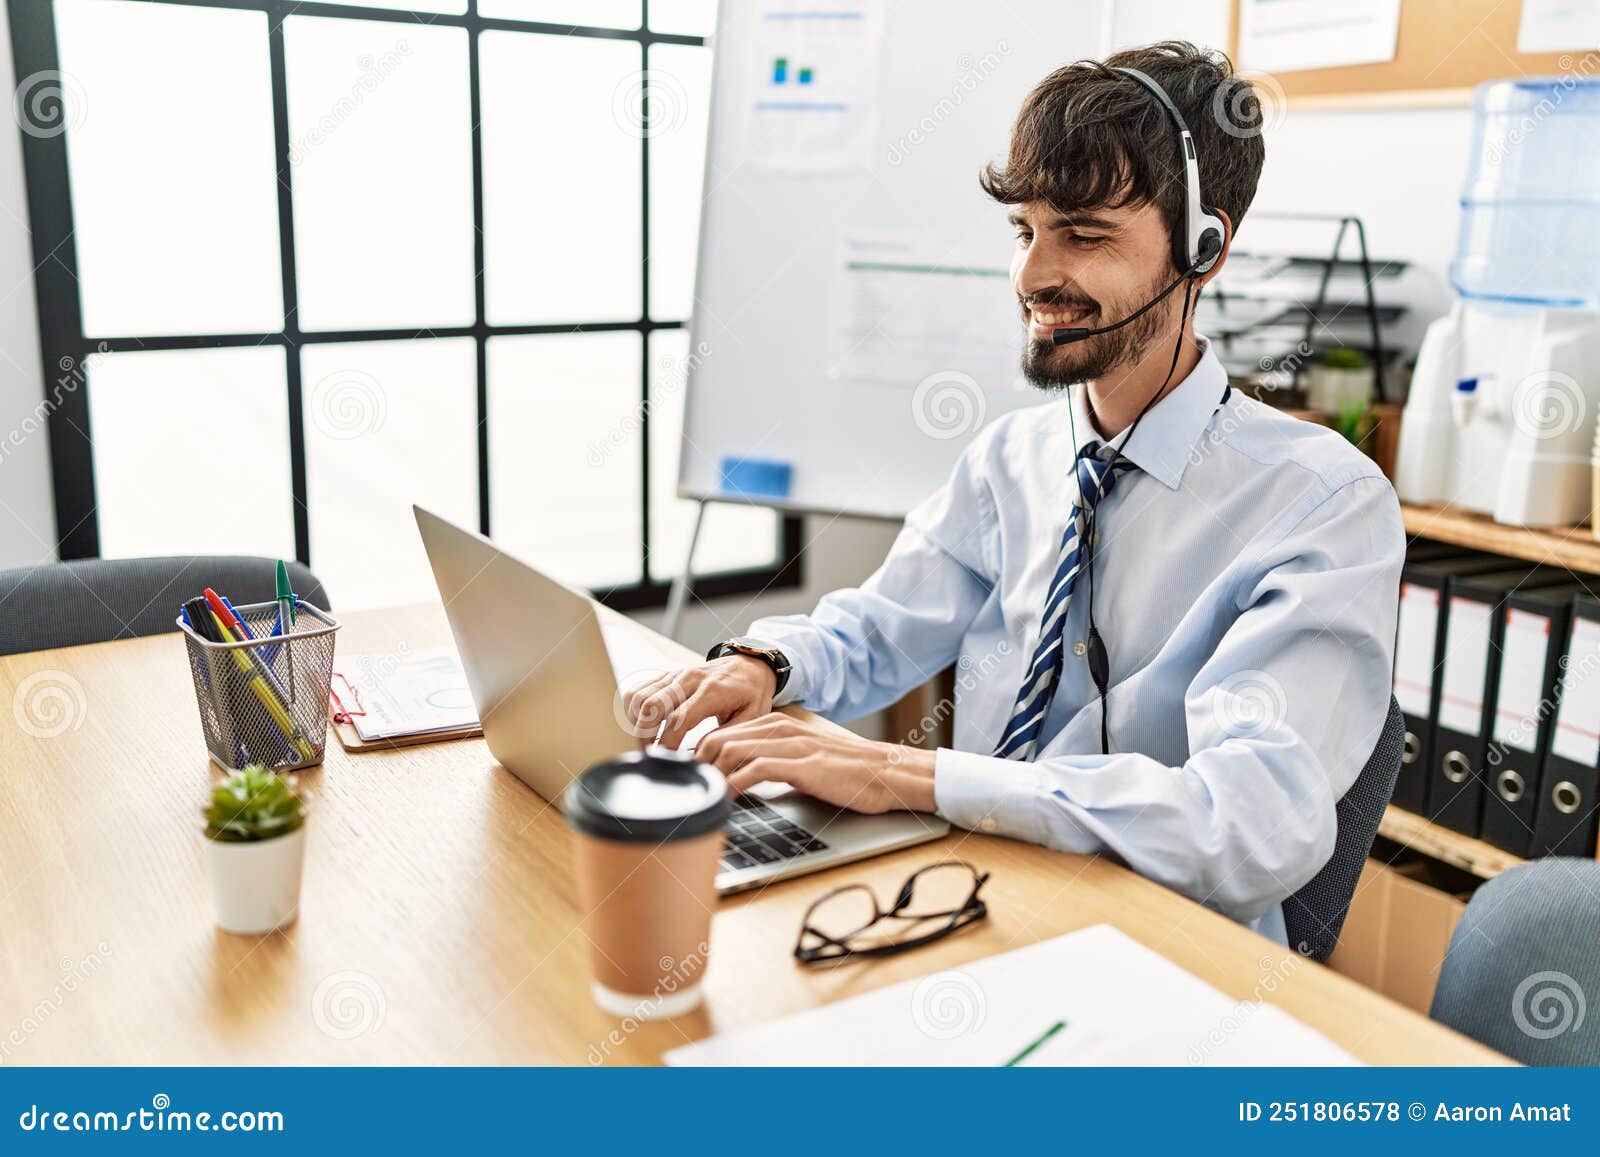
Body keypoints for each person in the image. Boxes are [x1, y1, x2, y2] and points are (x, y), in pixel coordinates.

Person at [623, 42, 1404, 943]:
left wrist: (904, 775)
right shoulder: (1013, 458)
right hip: (969, 891)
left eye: (1083, 234)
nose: (1032, 277)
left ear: (1205, 248)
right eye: (1026, 231)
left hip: (1160, 951)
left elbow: (1246, 825)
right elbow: (880, 625)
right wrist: (763, 665)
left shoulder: (1321, 504)